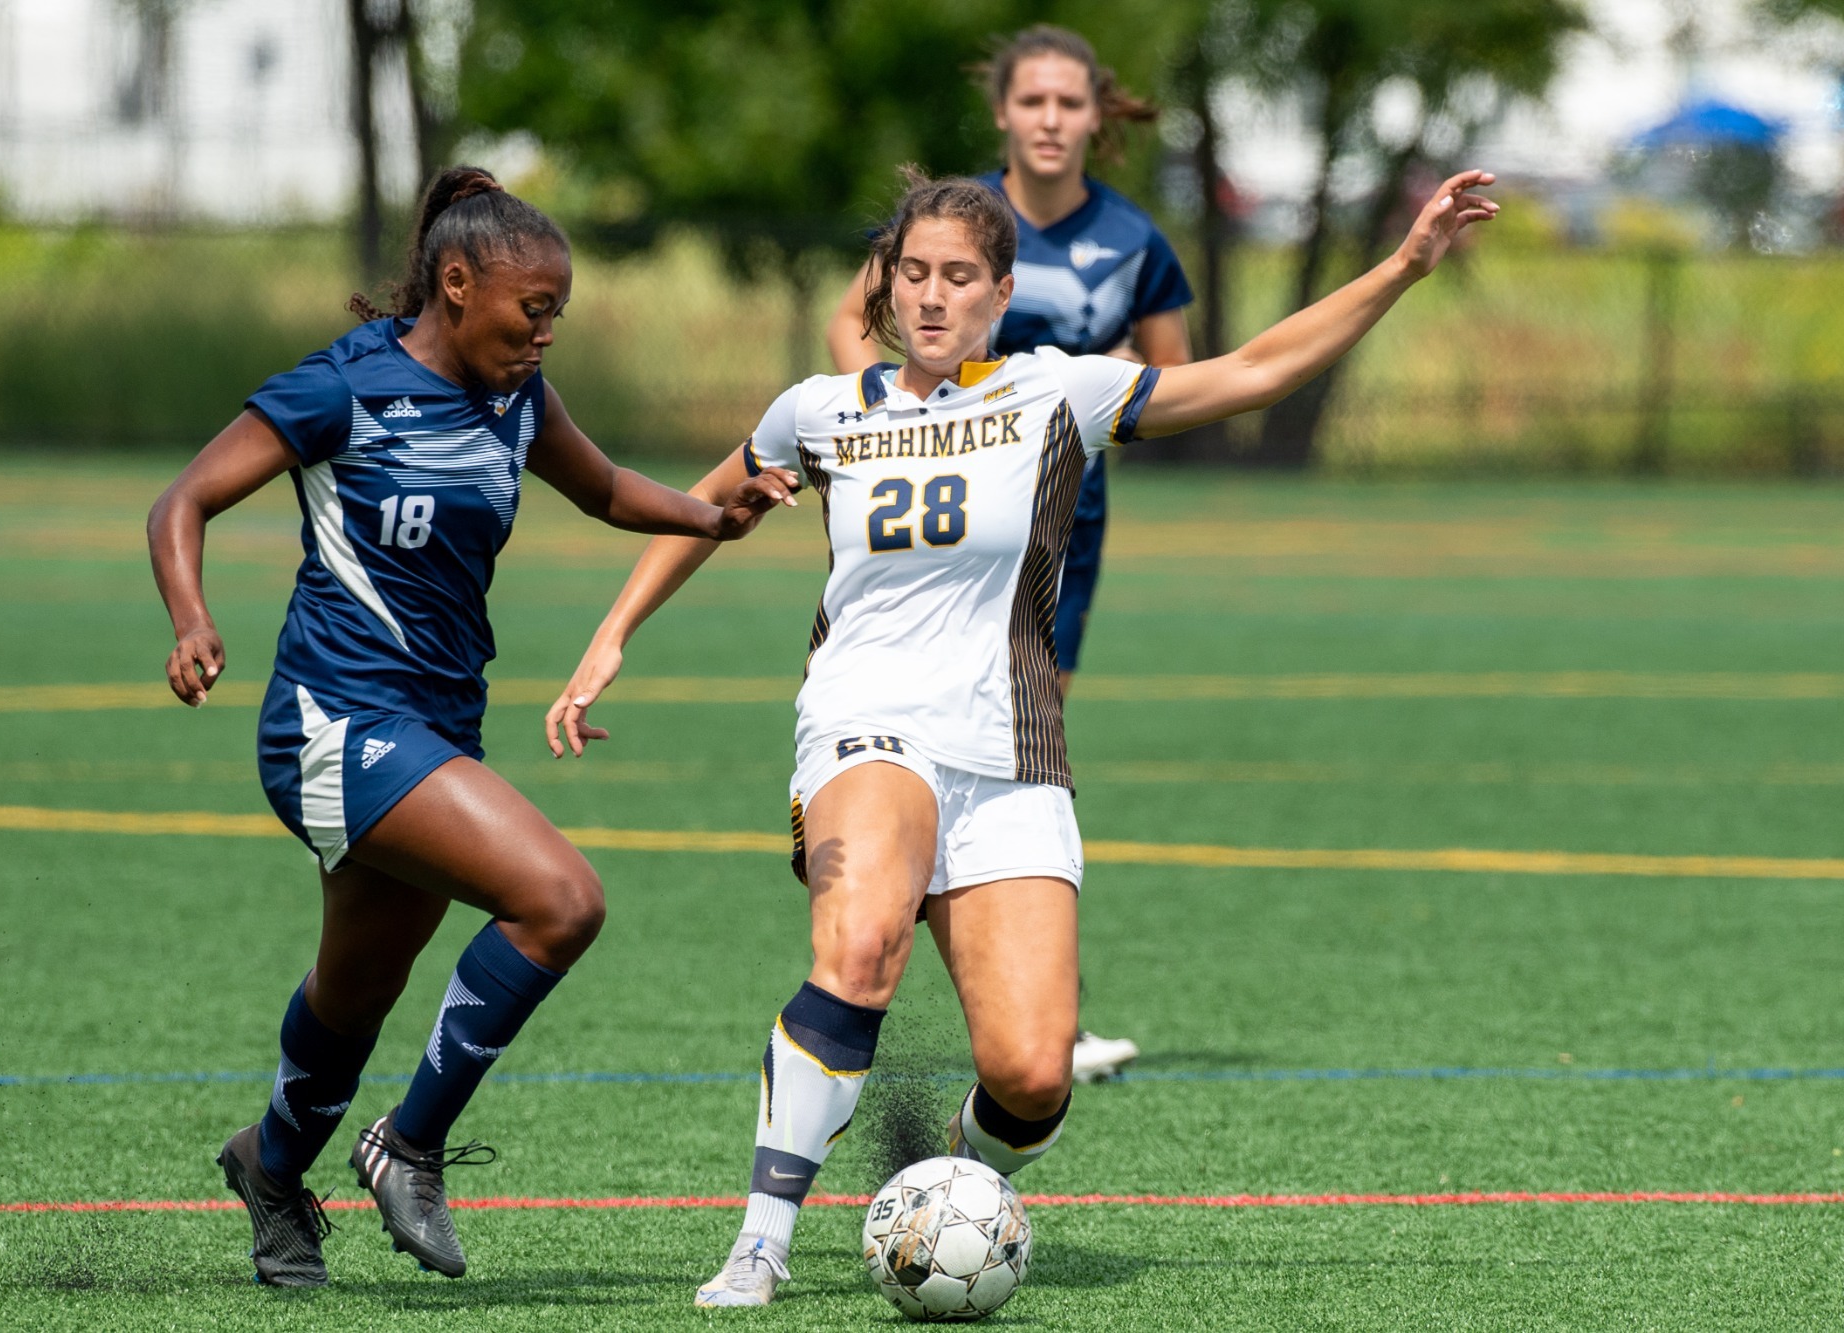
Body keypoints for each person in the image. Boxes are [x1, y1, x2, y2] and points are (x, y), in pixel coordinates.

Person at [548, 165, 1497, 1306]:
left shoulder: (1058, 395)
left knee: (1032, 1073)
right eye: (913, 275)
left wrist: (1400, 265)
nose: (933, 297)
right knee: (858, 948)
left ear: (1002, 292)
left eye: (959, 277)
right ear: (885, 288)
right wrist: (612, 634)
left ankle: (950, 1190)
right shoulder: (821, 411)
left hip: (1009, 758)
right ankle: (759, 1241)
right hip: (863, 727)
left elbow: (1250, 373)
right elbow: (707, 507)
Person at [146, 166, 797, 1288]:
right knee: (560, 899)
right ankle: (408, 1142)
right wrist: (193, 618)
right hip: (333, 722)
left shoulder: (517, 400)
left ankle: (270, 1165)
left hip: (435, 725)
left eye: (557, 313)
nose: (545, 333)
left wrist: (712, 514)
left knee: (357, 986)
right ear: (455, 283)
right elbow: (184, 499)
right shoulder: (345, 387)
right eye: (530, 309)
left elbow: (599, 490)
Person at [828, 25, 1192, 1083]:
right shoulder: (956, 224)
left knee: (1023, 735)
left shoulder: (1133, 240)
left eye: (1066, 103)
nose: (1046, 119)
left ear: (1094, 117)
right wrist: (880, 424)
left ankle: (1032, 1001)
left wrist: (1090, 383)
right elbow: (850, 323)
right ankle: (885, 951)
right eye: (1029, 100)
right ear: (1001, 111)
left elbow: (1169, 377)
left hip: (1054, 527)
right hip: (932, 515)